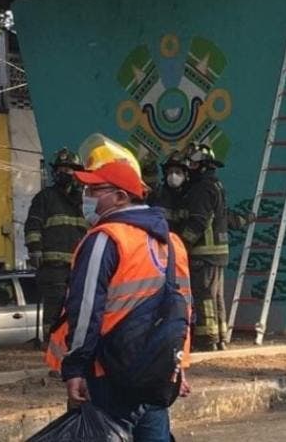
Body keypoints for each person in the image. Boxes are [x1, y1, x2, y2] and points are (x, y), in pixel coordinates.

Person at [45, 134, 192, 441]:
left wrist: (74, 369)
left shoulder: (106, 238)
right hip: (155, 376)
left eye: (95, 189)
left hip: (107, 376)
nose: (86, 194)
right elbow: (182, 312)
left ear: (122, 197)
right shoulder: (172, 243)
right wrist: (178, 367)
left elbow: (86, 310)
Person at [148, 144, 230, 350]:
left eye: (192, 164)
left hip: (204, 252)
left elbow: (198, 222)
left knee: (204, 296)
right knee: (215, 295)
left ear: (202, 166)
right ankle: (220, 338)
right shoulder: (215, 184)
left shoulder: (201, 188)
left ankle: (207, 338)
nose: (188, 168)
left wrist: (181, 244)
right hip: (217, 252)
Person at [25, 148, 88, 331]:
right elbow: (33, 226)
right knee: (55, 305)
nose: (65, 173)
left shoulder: (83, 201)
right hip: (53, 267)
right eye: (61, 169)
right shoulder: (45, 197)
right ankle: (50, 342)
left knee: (77, 306)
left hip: (78, 266)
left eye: (69, 170)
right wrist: (35, 250)